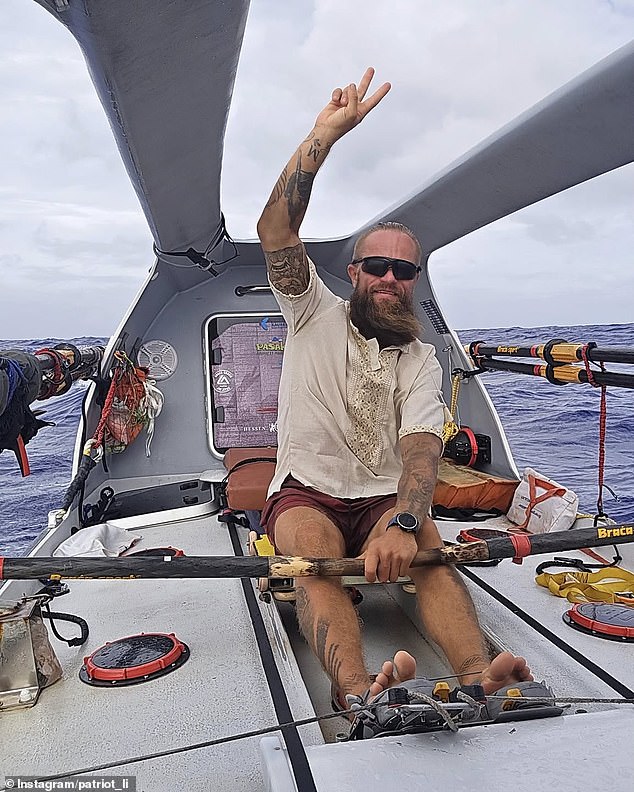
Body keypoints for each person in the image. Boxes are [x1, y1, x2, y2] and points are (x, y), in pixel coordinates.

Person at [257, 67, 532, 708]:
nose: (388, 277)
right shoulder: (310, 309)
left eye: (402, 269)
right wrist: (323, 136)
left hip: (386, 496)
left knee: (432, 551)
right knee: (314, 557)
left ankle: (477, 674)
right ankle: (357, 694)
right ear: (353, 272)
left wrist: (406, 521)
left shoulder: (421, 356)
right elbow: (277, 232)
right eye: (375, 265)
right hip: (308, 494)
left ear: (413, 279)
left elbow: (420, 448)